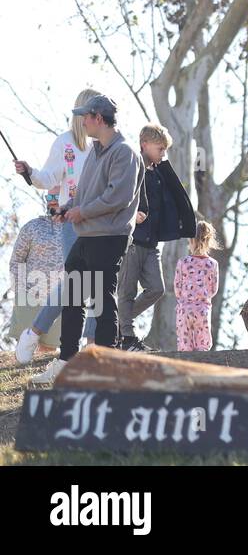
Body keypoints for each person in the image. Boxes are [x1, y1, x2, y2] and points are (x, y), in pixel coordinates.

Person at [30, 94, 144, 385]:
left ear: (98, 118)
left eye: (85, 116)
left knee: (102, 299)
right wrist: (68, 209)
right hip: (87, 236)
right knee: (73, 296)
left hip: (109, 237)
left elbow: (117, 197)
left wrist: (83, 211)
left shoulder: (124, 152)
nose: (81, 121)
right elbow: (85, 191)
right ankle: (66, 362)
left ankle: (107, 364)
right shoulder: (96, 150)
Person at [12, 87, 100, 363]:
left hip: (101, 219)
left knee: (98, 283)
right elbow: (48, 178)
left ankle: (93, 346)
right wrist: (30, 172)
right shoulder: (65, 143)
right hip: (72, 220)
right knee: (76, 283)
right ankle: (35, 331)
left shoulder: (106, 144)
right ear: (85, 112)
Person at [118, 123, 196, 352]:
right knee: (127, 291)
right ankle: (127, 336)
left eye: (165, 149)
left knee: (157, 289)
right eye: (160, 148)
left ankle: (115, 323)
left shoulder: (160, 172)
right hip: (131, 241)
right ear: (144, 145)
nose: (163, 153)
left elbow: (175, 199)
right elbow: (118, 196)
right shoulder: (130, 166)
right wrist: (132, 214)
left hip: (152, 243)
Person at [6, 192, 64, 355]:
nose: (52, 201)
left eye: (57, 196)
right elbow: (17, 260)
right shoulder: (32, 226)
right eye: (49, 197)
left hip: (60, 300)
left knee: (47, 353)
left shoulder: (78, 229)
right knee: (23, 352)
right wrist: (20, 291)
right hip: (29, 297)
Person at [175, 221, 219, 352]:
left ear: (191, 240)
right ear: (209, 240)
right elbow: (213, 289)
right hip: (203, 310)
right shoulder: (213, 264)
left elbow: (177, 288)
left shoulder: (183, 262)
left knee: (184, 345)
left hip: (184, 309)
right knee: (203, 345)